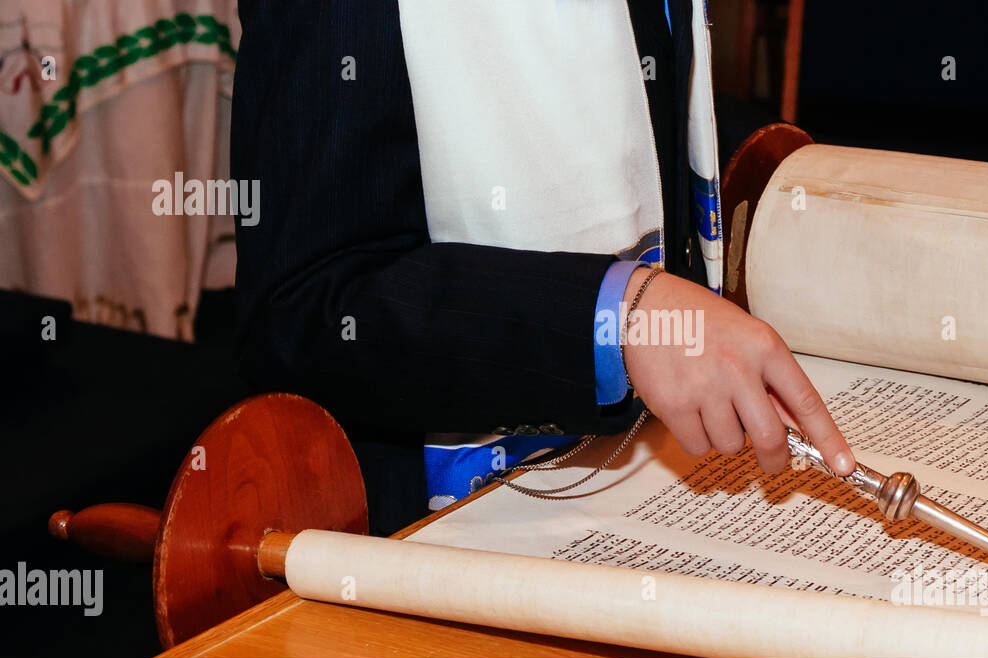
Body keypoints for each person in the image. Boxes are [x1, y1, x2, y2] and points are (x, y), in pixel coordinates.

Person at [231, 0, 853, 534]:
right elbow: (304, 307)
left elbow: (637, 115)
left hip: (655, 456)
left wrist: (817, 195)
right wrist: (617, 318)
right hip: (423, 520)